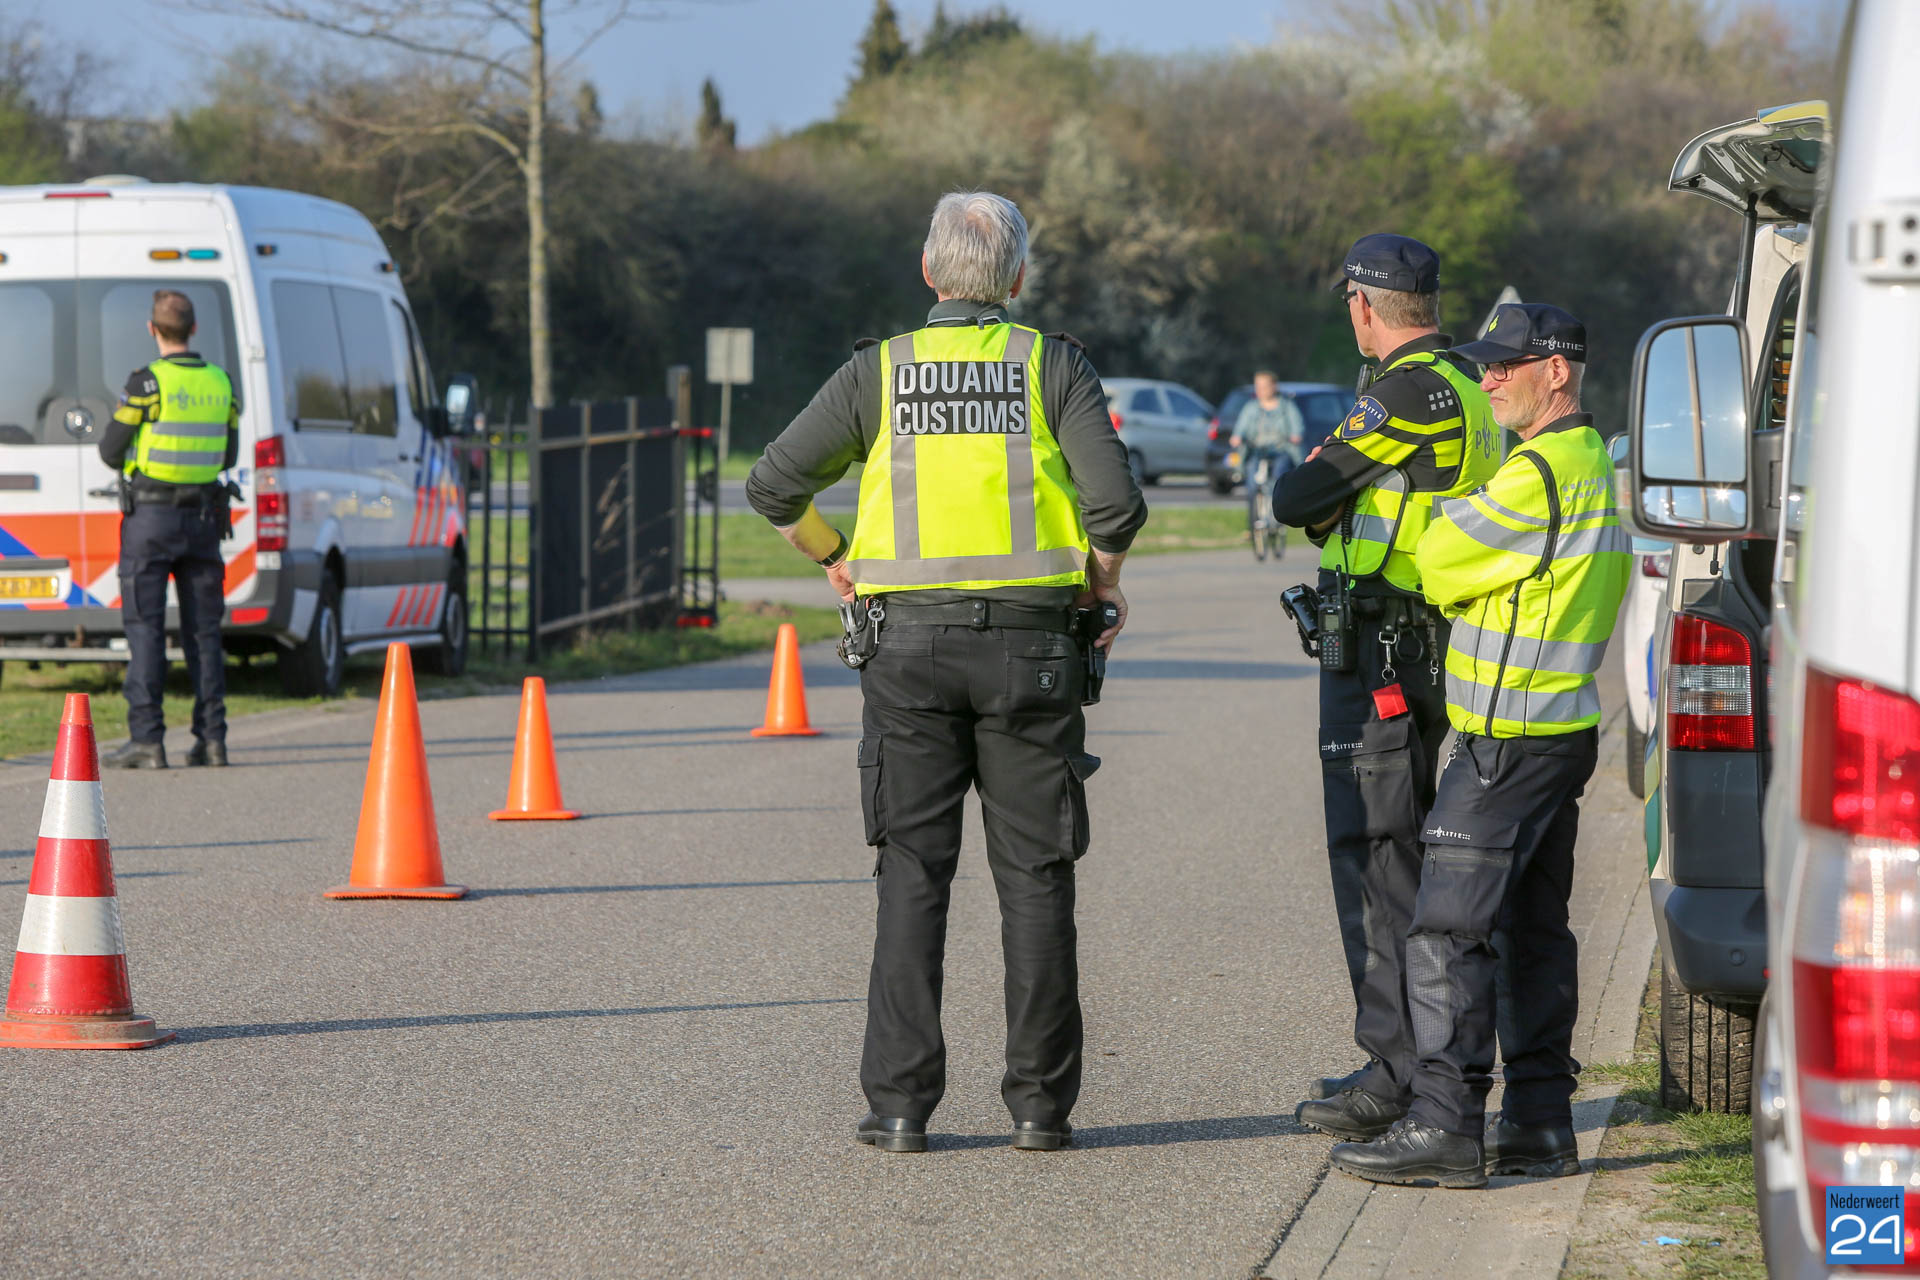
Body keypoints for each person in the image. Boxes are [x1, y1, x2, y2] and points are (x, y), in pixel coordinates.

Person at [745, 190, 1147, 1154]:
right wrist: (1104, 587)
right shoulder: (1054, 367)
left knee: (913, 877)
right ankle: (1040, 1111)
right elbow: (1115, 506)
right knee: (1036, 876)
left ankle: (899, 1107)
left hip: (907, 653)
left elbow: (772, 484)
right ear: (1015, 281)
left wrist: (831, 553)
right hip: (1034, 650)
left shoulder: (876, 372)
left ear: (930, 275)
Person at [1328, 303, 1630, 1189]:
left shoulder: (1538, 472)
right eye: (1486, 365)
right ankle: (1539, 1123)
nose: (1489, 377)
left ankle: (1444, 1124)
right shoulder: (1583, 461)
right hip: (1556, 730)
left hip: (1506, 739)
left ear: (1558, 372)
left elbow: (1439, 559)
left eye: (1507, 365)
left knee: (1445, 933)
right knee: (1531, 931)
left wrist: (1443, 520)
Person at [1272, 234, 1503, 1141]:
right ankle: (1419, 1058)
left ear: (1366, 305)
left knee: (1374, 856)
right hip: (1434, 639)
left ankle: (1394, 1070)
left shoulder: (1406, 390)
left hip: (1384, 652)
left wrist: (1326, 484)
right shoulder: (1471, 385)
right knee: (1412, 852)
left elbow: (1299, 497)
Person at [97, 290, 239, 770]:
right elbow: (230, 456)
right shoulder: (222, 383)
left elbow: (111, 450)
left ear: (152, 329)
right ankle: (212, 740)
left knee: (145, 629)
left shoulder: (146, 385)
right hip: (202, 521)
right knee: (204, 634)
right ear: (194, 329)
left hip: (151, 522)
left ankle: (147, 741)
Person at [1231, 370, 1305, 481]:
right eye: (1258, 386)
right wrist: (1237, 436)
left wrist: (1296, 435)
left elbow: (1297, 426)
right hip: (1257, 449)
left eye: (1264, 386)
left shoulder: (1287, 407)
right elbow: (1241, 426)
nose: (1261, 390)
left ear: (1274, 386)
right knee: (1251, 472)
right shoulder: (1250, 408)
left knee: (1280, 473)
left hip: (1281, 449)